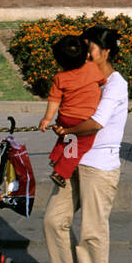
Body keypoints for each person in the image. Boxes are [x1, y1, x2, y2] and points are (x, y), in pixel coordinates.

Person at [43, 27, 128, 263]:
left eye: (89, 46)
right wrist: (58, 123)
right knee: (54, 221)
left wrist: (66, 128)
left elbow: (95, 122)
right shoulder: (80, 72)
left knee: (92, 230)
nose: (84, 51)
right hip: (71, 158)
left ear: (105, 51)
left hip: (99, 165)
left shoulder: (116, 84)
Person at [38, 33, 105, 187]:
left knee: (66, 135)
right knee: (81, 144)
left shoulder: (60, 78)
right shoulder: (93, 69)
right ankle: (61, 172)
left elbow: (54, 99)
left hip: (65, 117)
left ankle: (56, 157)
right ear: (86, 54)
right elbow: (103, 81)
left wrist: (47, 119)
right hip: (82, 119)